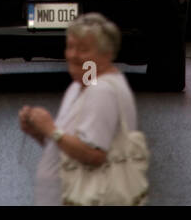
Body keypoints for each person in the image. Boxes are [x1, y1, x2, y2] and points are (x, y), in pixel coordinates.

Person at [19, 12, 139, 206]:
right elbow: (71, 146)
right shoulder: (80, 86)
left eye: (83, 49)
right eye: (70, 47)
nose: (73, 55)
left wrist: (51, 130)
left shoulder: (102, 91)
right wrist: (41, 132)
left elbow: (95, 154)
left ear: (105, 54)